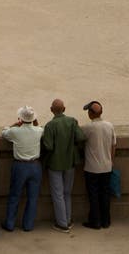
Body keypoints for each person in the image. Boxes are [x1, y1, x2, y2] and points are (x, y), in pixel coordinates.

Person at [42, 98, 85, 233]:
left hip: (55, 164)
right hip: (70, 163)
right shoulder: (72, 121)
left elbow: (48, 146)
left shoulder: (50, 126)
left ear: (51, 110)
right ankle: (68, 219)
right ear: (64, 109)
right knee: (67, 193)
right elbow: (81, 137)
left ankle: (62, 224)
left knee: (58, 194)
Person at [0, 105, 43, 233]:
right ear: (33, 119)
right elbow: (40, 128)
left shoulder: (15, 131)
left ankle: (10, 223)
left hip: (20, 166)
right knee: (33, 197)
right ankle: (28, 225)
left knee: (14, 195)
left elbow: (4, 132)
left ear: (20, 118)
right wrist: (35, 123)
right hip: (35, 166)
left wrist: (14, 124)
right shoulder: (39, 130)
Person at [81, 100, 116, 230]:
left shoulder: (87, 128)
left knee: (93, 196)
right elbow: (114, 146)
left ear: (91, 113)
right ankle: (106, 221)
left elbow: (79, 138)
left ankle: (95, 222)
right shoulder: (110, 126)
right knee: (105, 195)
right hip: (107, 166)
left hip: (92, 168)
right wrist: (111, 162)